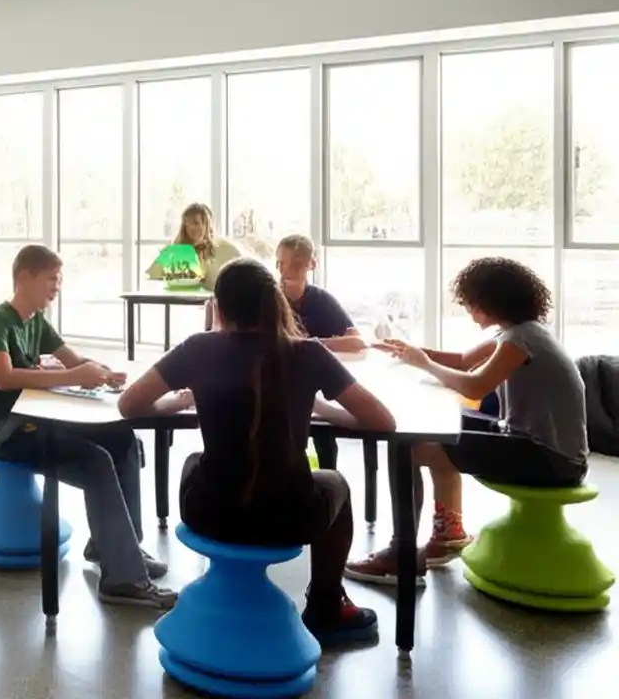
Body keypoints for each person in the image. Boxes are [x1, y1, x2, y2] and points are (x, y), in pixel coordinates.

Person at [119, 257, 395, 644]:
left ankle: (223, 590)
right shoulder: (309, 353)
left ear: (219, 306)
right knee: (335, 482)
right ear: (274, 301)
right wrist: (322, 408)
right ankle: (326, 605)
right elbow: (382, 420)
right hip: (289, 516)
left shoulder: (198, 348)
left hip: (210, 512)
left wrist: (177, 403)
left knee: (196, 460)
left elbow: (129, 404)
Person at [346, 257, 588, 585]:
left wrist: (425, 363)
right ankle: (448, 535)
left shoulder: (519, 341)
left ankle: (401, 557)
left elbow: (475, 384)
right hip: (543, 447)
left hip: (550, 459)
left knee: (410, 449)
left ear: (489, 302)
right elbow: (462, 361)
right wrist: (408, 350)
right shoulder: (518, 333)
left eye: (471, 304)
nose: (469, 311)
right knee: (442, 430)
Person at [0, 244, 176, 609]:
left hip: (31, 417)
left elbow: (72, 360)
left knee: (121, 438)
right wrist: (74, 375)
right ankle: (122, 579)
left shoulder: (36, 322)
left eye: (59, 280)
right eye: (52, 279)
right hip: (2, 431)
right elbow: (4, 377)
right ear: (25, 277)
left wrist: (104, 374)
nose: (57, 287)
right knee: (94, 462)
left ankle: (116, 547)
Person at [274, 234, 367, 471]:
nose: (287, 271)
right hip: (276, 379)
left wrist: (316, 345)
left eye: (296, 264)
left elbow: (356, 341)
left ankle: (327, 477)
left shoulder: (320, 299)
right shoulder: (270, 298)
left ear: (310, 265)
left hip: (315, 380)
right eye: (282, 264)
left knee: (324, 434)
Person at [145, 203, 243, 289]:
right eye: (187, 223)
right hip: (180, 302)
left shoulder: (224, 248)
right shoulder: (174, 250)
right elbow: (152, 274)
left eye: (196, 223)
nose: (191, 228)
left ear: (206, 225)